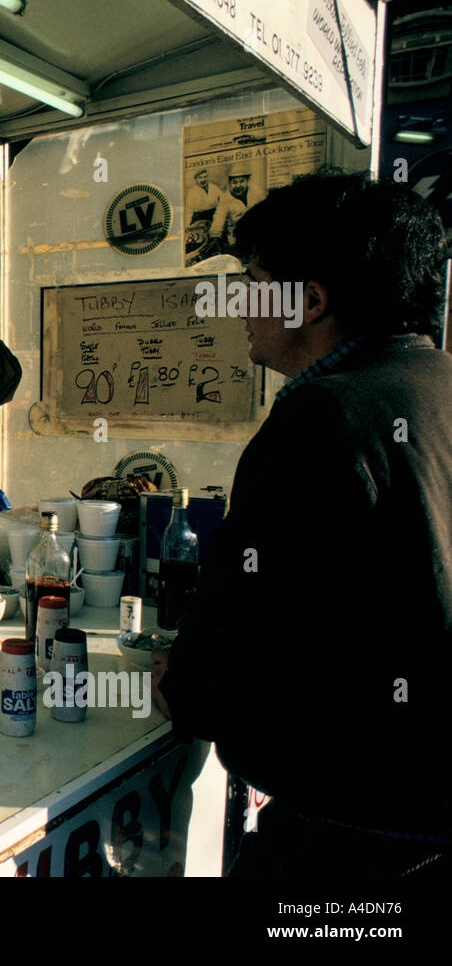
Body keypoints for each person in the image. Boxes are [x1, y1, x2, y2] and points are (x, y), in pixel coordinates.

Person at [153, 171, 452, 877]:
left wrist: (176, 680)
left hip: (354, 840)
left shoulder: (322, 420)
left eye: (253, 281)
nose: (239, 306)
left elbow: (218, 659)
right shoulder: (438, 382)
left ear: (311, 299)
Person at [207, 172, 255, 255]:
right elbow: (219, 217)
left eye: (242, 181)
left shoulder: (255, 193)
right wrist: (215, 236)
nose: (238, 185)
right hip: (236, 241)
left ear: (247, 181)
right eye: (234, 182)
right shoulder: (225, 199)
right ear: (229, 183)